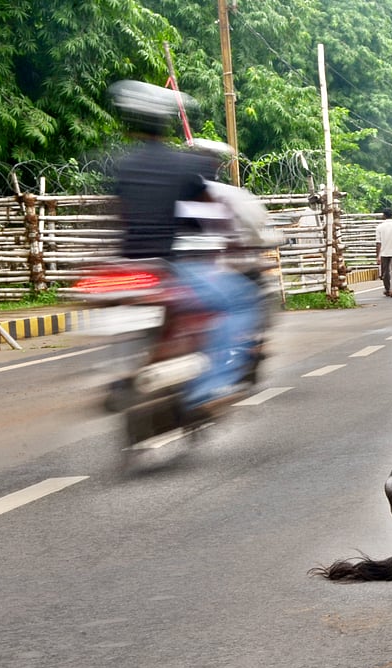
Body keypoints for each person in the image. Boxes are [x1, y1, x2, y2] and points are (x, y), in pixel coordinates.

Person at [108, 79, 263, 417]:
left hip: (129, 265)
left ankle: (128, 374)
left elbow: (120, 215)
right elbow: (213, 215)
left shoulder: (122, 165)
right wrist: (232, 244)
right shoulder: (185, 167)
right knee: (241, 302)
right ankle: (208, 389)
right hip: (173, 266)